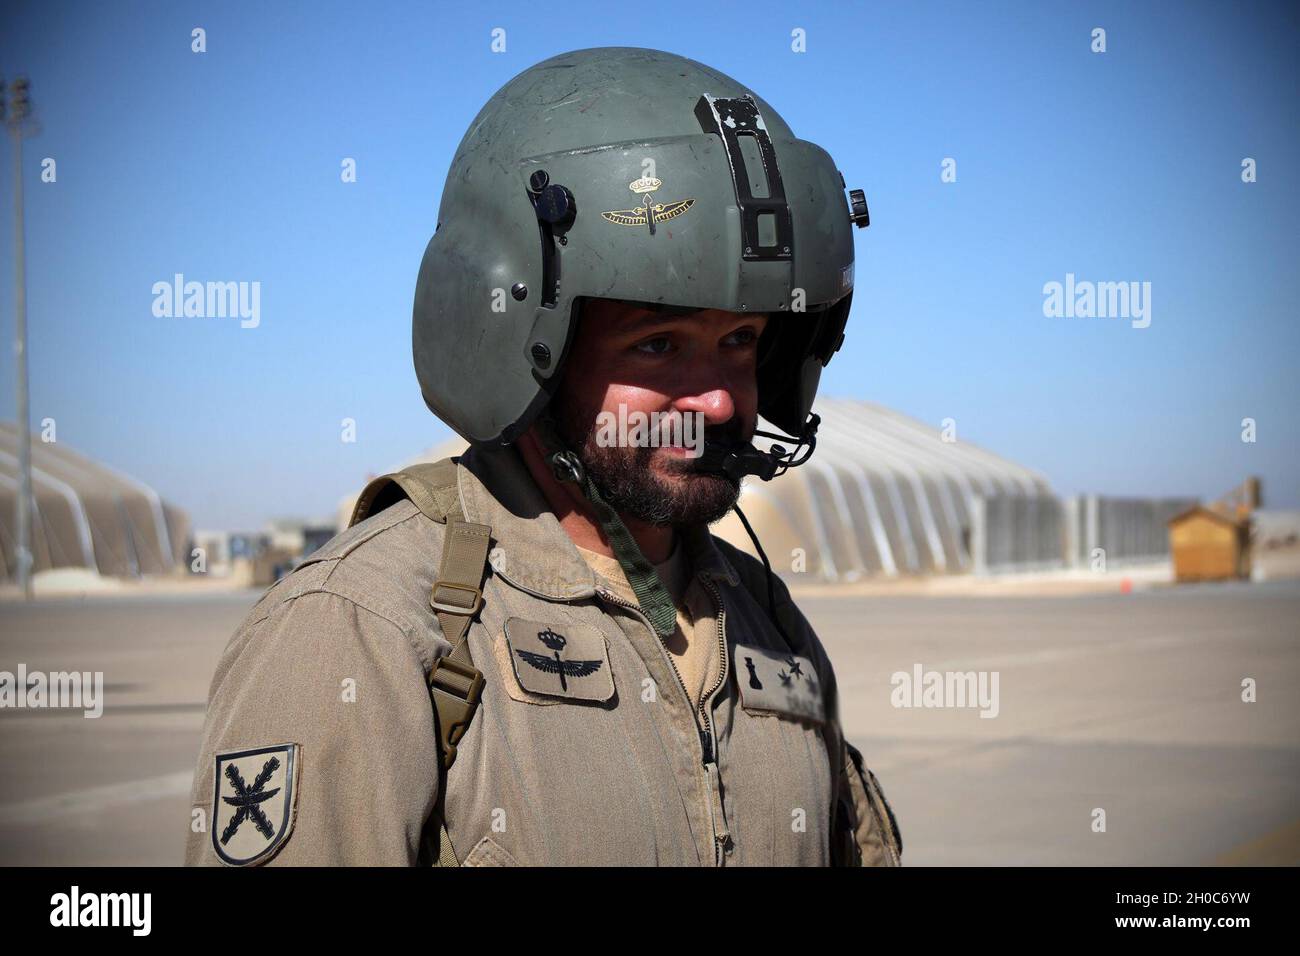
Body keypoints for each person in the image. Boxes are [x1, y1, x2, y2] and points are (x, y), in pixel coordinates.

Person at [184, 46, 900, 867]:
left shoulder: (764, 621)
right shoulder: (370, 629)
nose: (715, 400)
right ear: (526, 347)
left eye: (739, 341)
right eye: (658, 344)